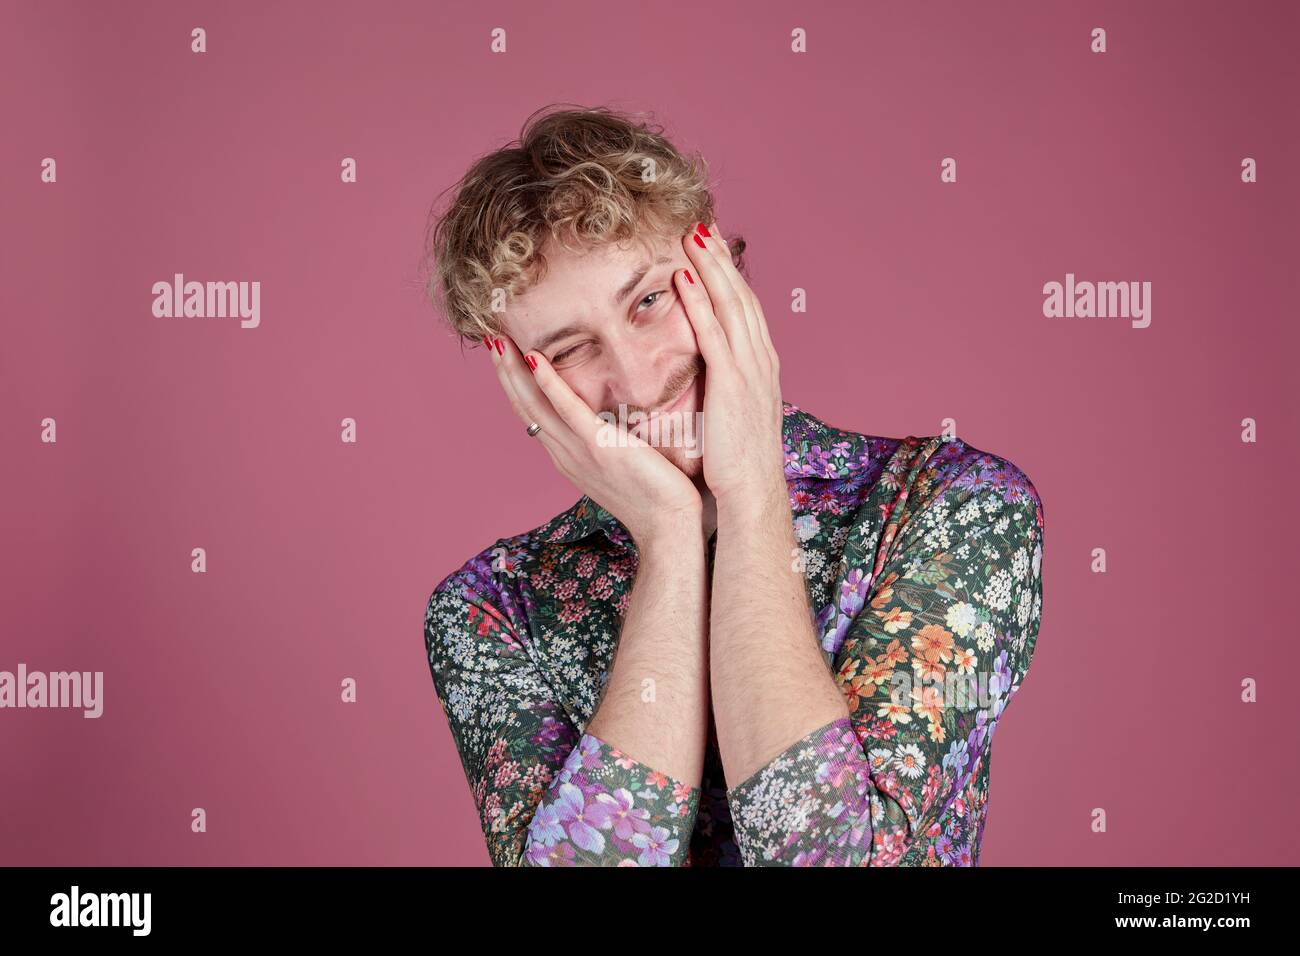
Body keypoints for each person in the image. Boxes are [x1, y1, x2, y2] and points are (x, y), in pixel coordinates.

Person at [420, 104, 1045, 866]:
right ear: (526, 385)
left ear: (718, 270)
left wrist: (750, 495)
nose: (641, 382)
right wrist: (670, 538)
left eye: (649, 301)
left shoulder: (953, 506)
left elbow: (822, 860)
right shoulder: (493, 607)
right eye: (572, 349)